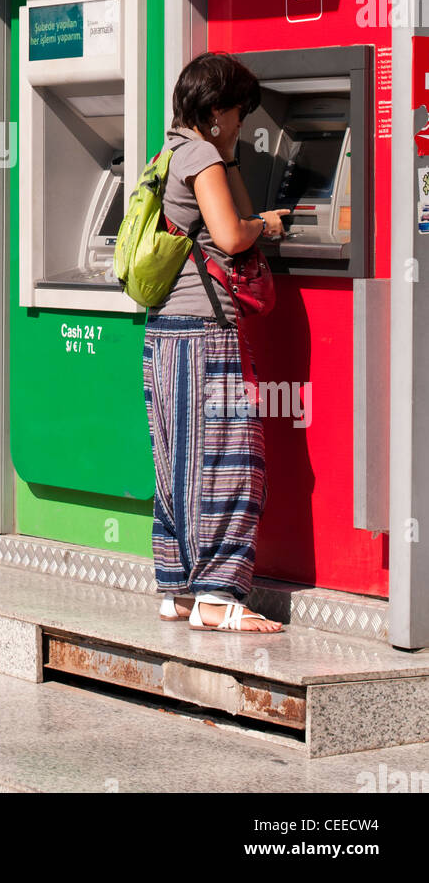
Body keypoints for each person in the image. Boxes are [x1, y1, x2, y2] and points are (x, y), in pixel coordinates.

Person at [143, 53, 290, 632]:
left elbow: (228, 214)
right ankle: (218, 599)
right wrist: (268, 226)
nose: (242, 123)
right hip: (205, 334)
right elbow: (232, 234)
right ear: (215, 110)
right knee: (230, 461)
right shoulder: (200, 156)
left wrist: (229, 158)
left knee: (179, 462)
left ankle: (179, 589)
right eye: (238, 112)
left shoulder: (171, 151)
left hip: (166, 335)